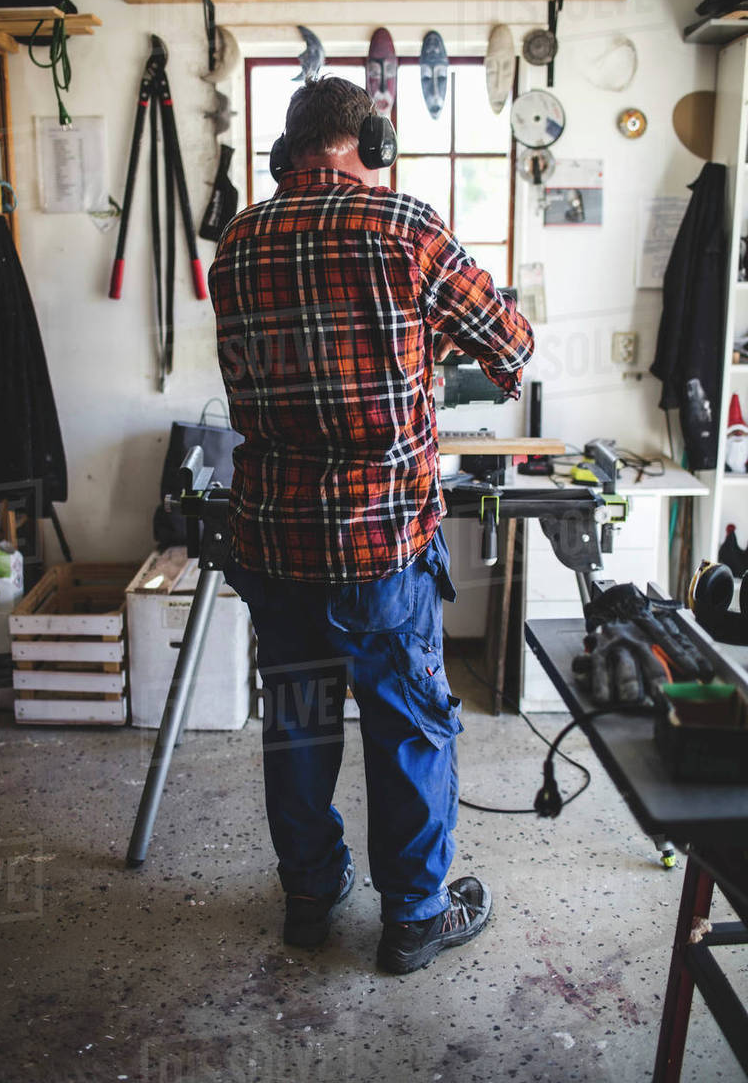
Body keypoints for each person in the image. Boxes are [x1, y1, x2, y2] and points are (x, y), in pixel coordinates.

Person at [209, 76, 533, 974]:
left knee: (300, 721)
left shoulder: (236, 241)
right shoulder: (405, 227)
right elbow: (512, 347)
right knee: (409, 725)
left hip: (273, 542)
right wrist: (433, 344)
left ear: (286, 154)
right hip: (379, 547)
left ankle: (310, 898)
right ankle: (415, 919)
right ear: (374, 144)